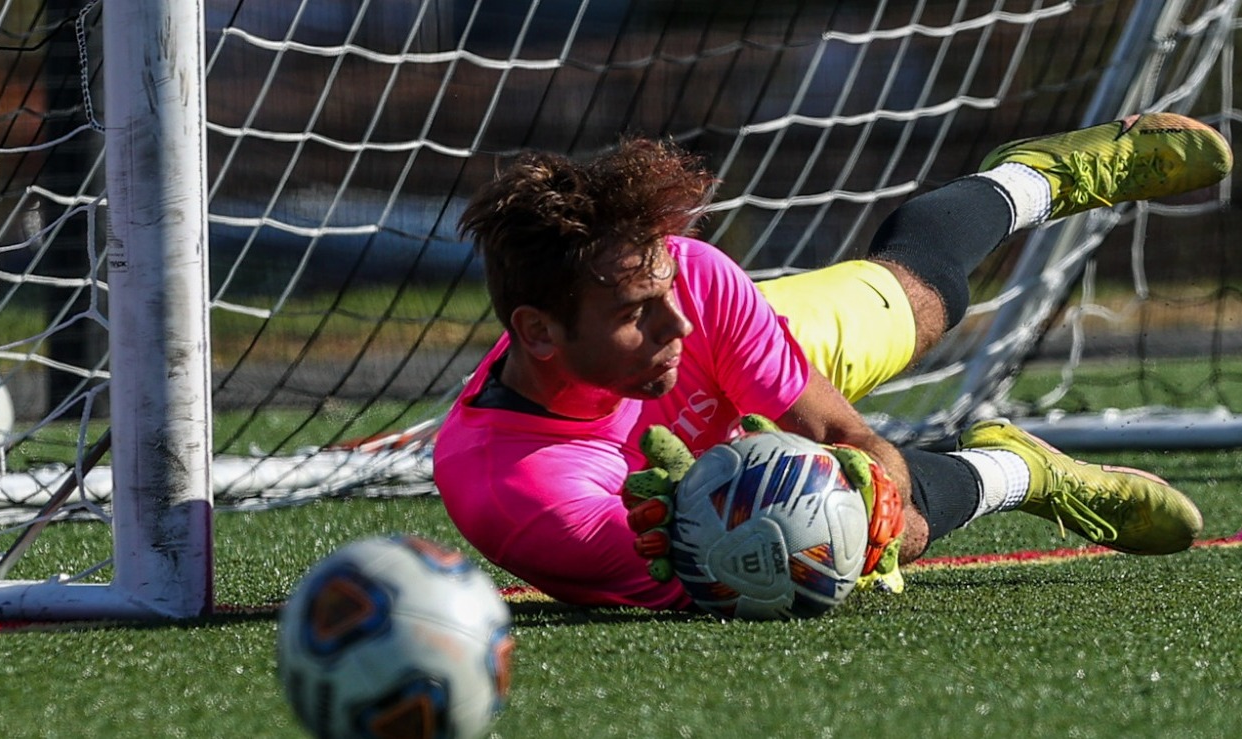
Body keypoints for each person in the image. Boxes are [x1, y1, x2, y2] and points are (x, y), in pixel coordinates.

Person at [433, 113, 1231, 610]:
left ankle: (1032, 177)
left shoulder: (689, 289)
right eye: (637, 315)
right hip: (685, 493)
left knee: (920, 302)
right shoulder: (526, 495)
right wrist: (867, 512)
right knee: (870, 533)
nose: (674, 319)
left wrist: (871, 467)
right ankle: (1017, 473)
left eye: (666, 288)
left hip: (734, 370)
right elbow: (756, 577)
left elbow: (840, 429)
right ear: (537, 333)